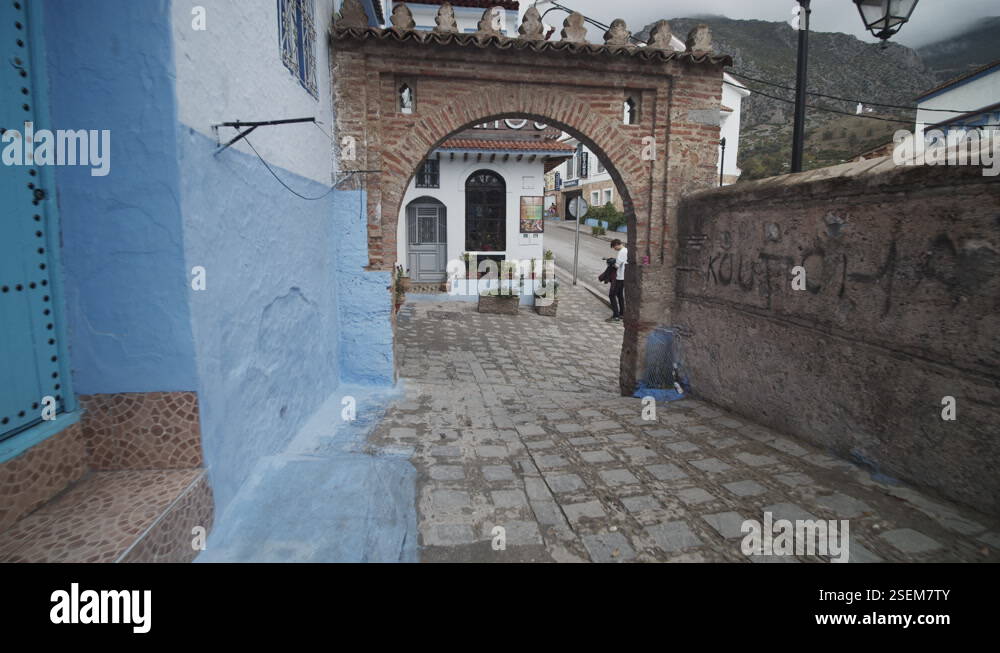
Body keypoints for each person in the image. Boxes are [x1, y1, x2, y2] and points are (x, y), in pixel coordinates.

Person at [606, 239, 627, 322]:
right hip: (624, 277)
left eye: (614, 247)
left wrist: (610, 263)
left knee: (611, 295)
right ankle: (622, 314)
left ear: (616, 245)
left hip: (619, 277)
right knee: (620, 295)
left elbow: (617, 266)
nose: (614, 249)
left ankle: (616, 316)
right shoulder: (626, 250)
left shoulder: (621, 252)